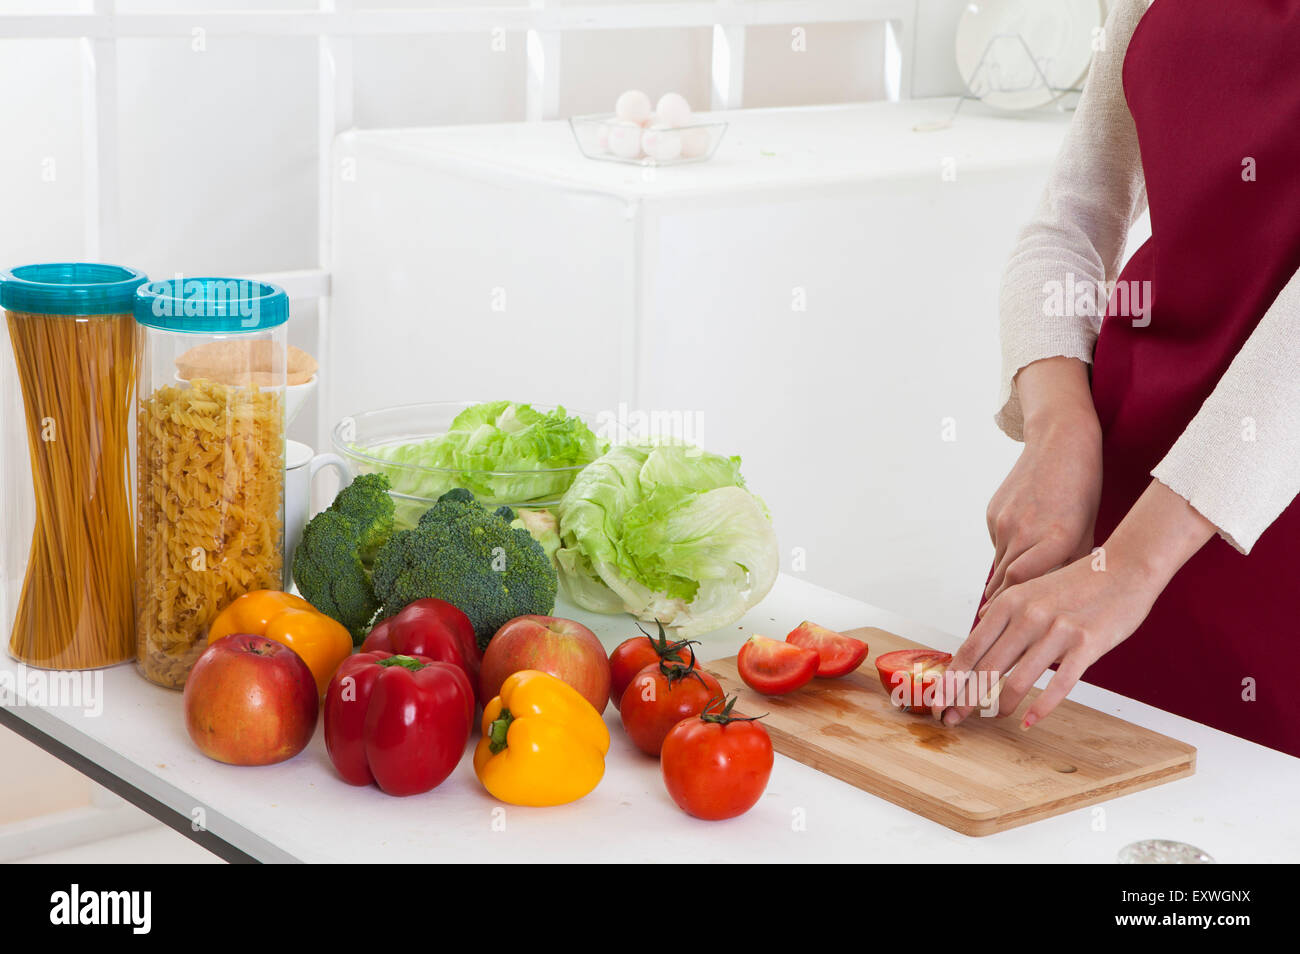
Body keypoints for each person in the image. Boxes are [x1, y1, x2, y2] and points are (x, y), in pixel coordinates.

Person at [933, 0, 1300, 759]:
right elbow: (1071, 216)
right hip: (1119, 472)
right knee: (1013, 782)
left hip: (1266, 508)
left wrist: (1135, 564)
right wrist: (1059, 428)